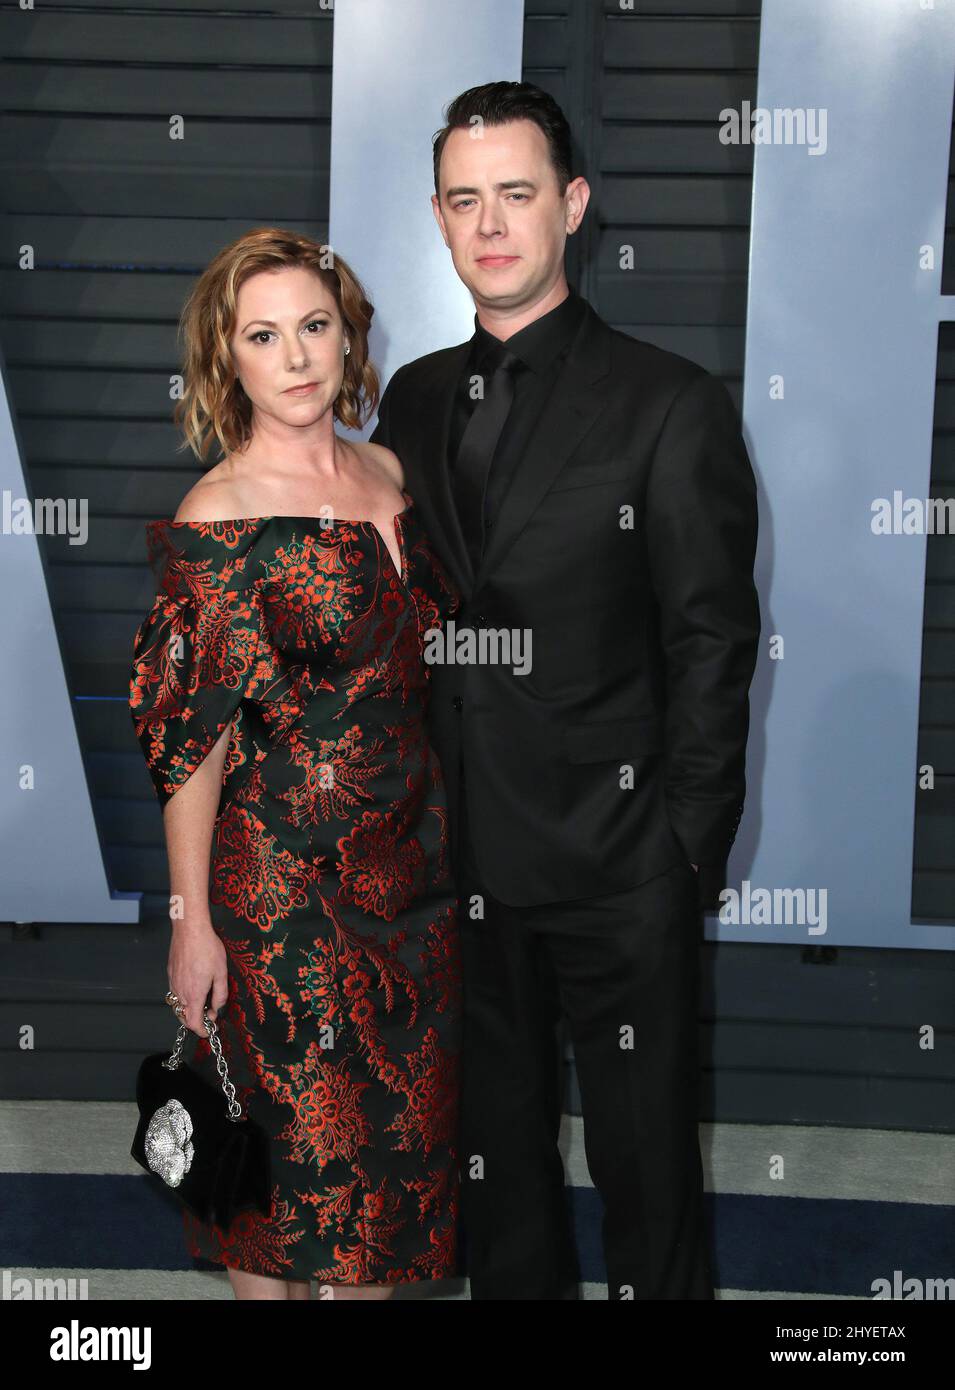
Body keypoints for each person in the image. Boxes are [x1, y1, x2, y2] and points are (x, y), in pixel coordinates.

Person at [370, 81, 761, 1300]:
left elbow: (711, 638)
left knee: (647, 1167)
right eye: (465, 200)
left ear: (574, 205)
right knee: (495, 1167)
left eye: (518, 195)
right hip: (460, 858)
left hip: (617, 860)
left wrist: (682, 847)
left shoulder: (669, 403)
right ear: (438, 218)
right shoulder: (414, 397)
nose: (491, 224)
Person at [128, 228, 462, 1301]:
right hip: (279, 900)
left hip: (409, 882)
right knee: (284, 1192)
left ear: (344, 332)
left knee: (384, 1187)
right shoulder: (218, 513)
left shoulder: (391, 474)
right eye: (264, 336)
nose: (298, 355)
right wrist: (192, 921)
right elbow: (192, 747)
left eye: (313, 326)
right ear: (230, 360)